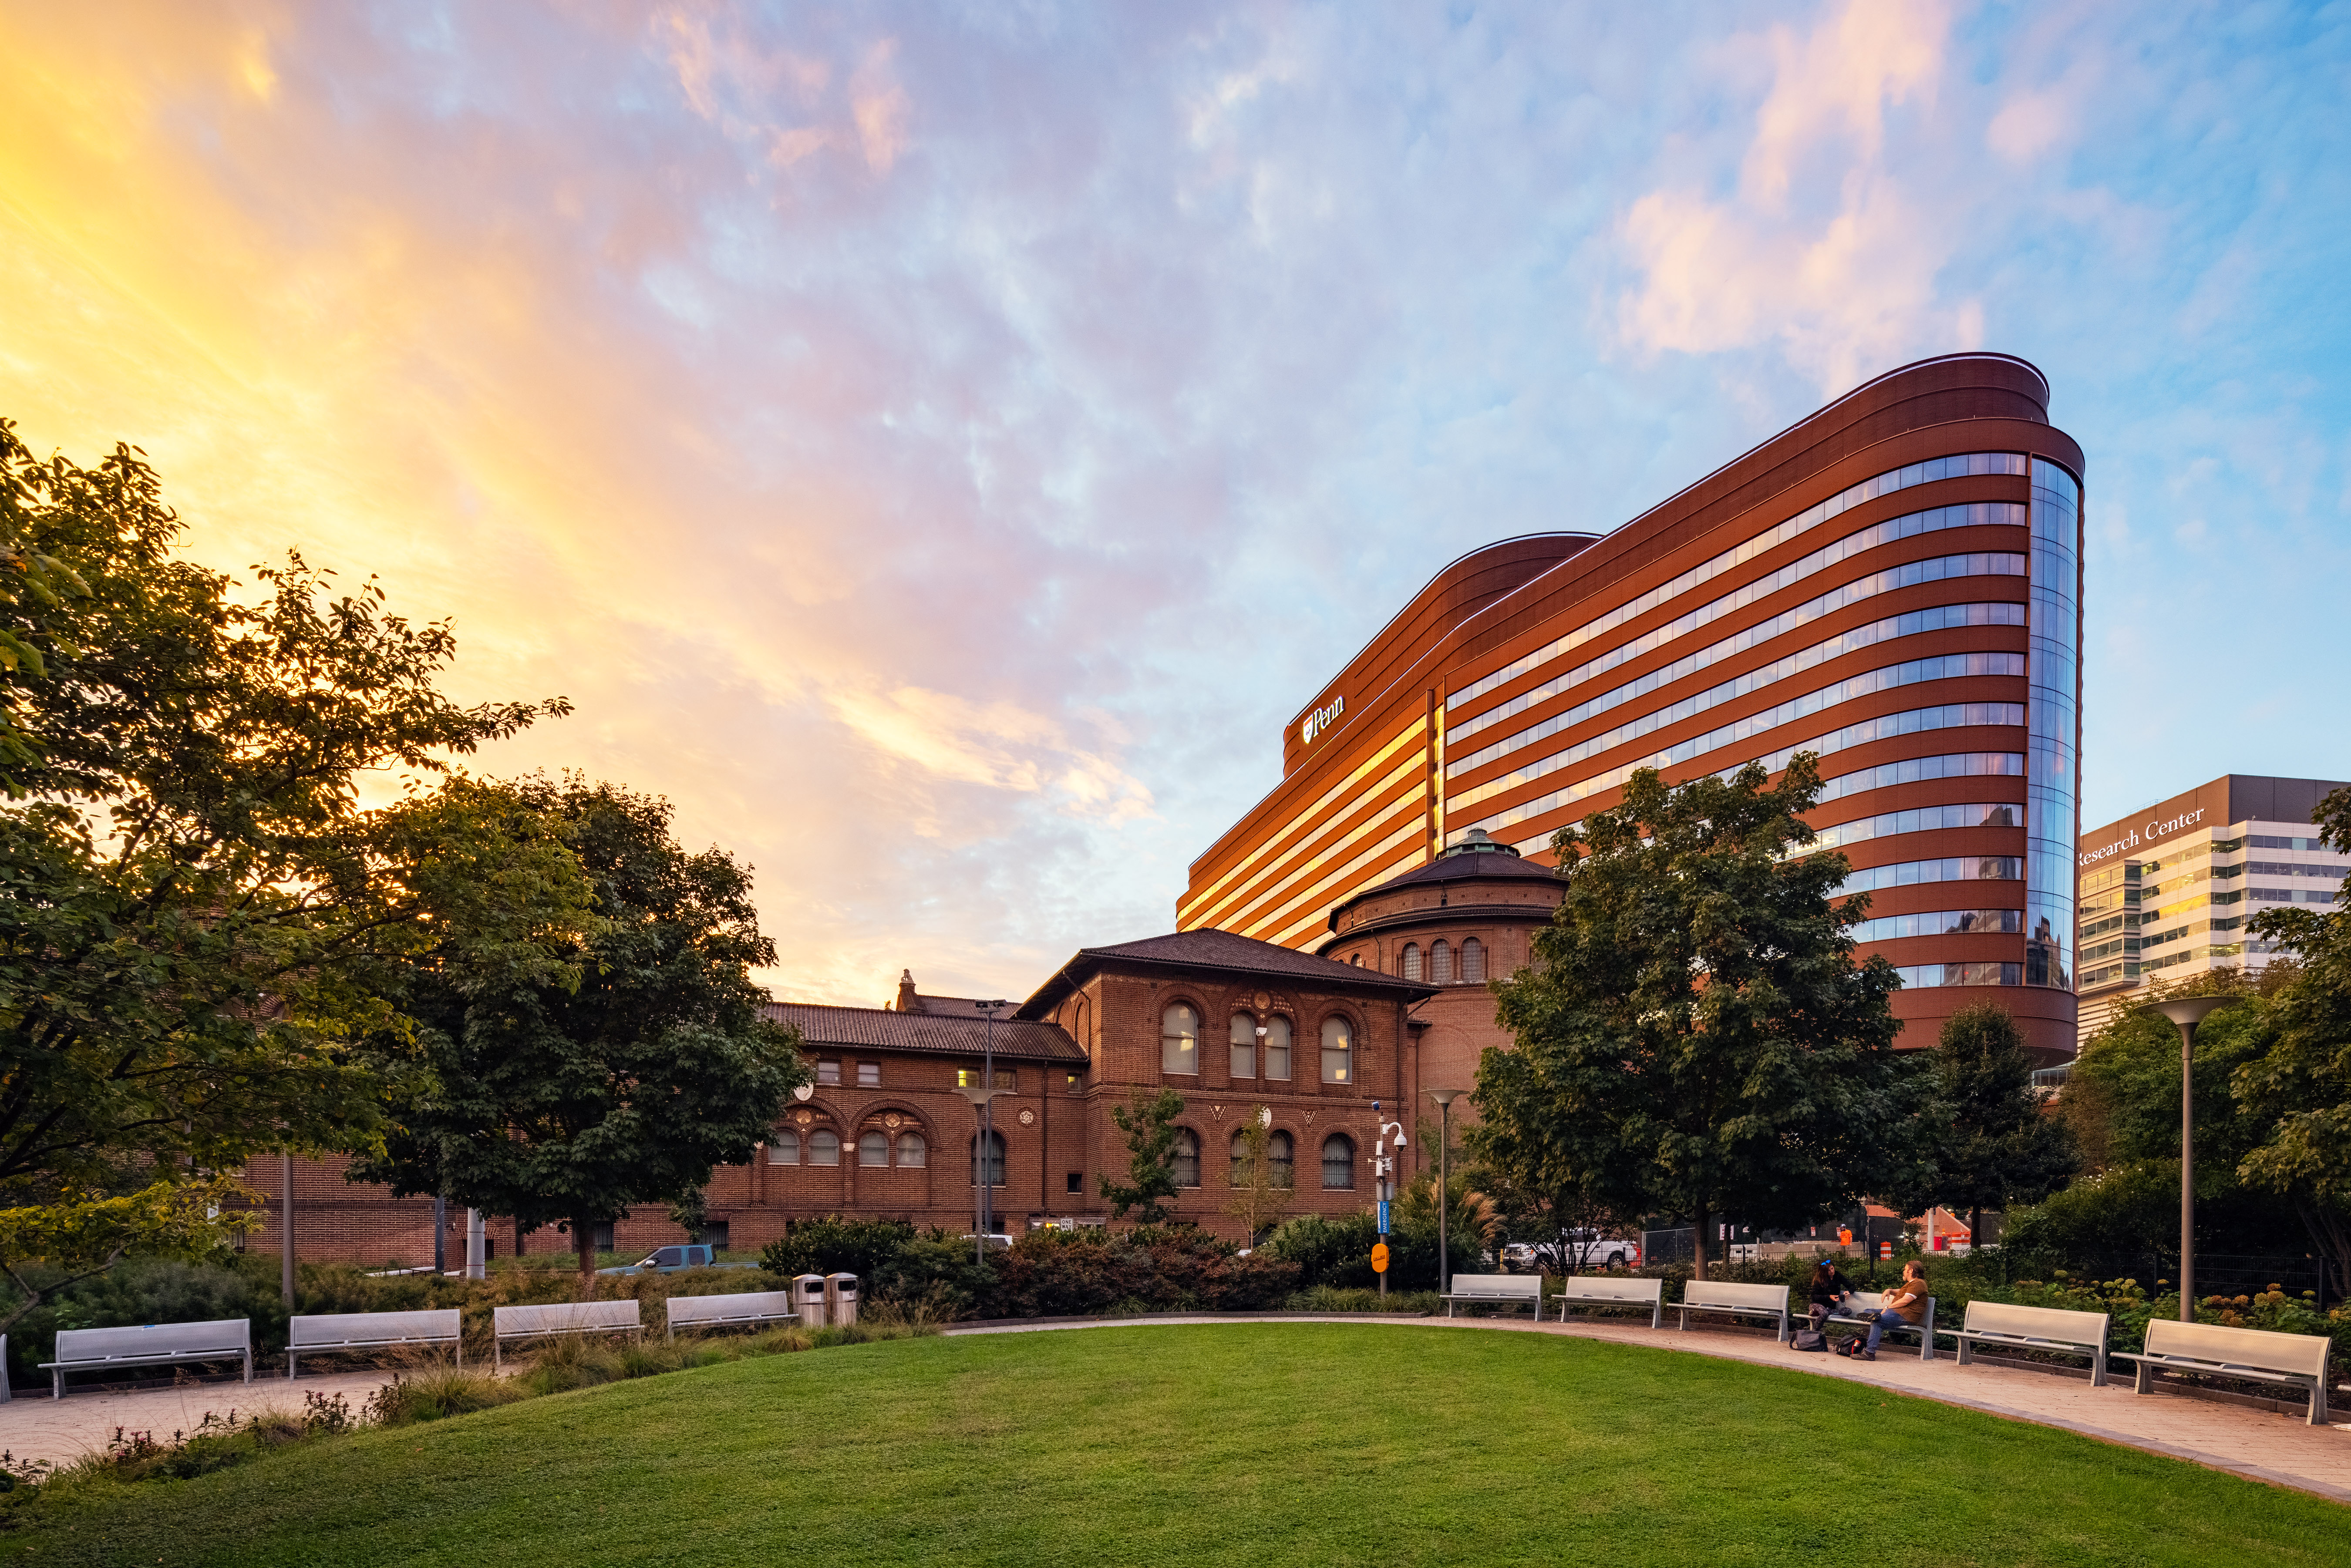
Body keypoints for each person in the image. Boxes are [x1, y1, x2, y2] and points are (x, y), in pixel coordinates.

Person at [1838, 1259, 1927, 1360]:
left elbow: (1905, 1301)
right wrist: (1890, 1290)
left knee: (1878, 1323)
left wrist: (1887, 1307)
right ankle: (1876, 1317)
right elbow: (1901, 1292)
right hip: (1896, 1312)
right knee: (1868, 1311)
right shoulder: (1912, 1284)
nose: (1903, 1271)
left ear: (1911, 1271)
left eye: (1905, 1269)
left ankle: (1869, 1353)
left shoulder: (1918, 1283)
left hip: (1904, 1315)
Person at [1805, 1257, 1855, 1334]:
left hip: (1830, 1309)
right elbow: (1814, 1297)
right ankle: (1814, 1333)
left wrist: (1849, 1292)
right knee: (1824, 1313)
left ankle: (1821, 1314)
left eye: (1832, 1268)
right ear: (1825, 1272)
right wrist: (1829, 1297)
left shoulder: (1837, 1276)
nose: (1832, 1271)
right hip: (1817, 1305)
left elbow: (1851, 1286)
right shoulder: (1820, 1280)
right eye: (1829, 1270)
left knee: (1848, 1311)